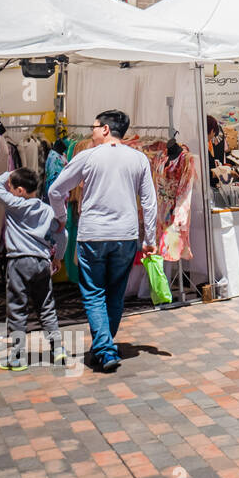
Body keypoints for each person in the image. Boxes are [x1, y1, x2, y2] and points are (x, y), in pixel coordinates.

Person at [49, 109, 158, 373]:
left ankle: (105, 348)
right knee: (115, 293)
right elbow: (149, 201)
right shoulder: (139, 158)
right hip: (126, 234)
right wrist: (150, 238)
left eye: (94, 127)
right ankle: (104, 346)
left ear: (106, 129)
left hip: (94, 235)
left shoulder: (87, 156)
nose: (92, 132)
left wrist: (61, 218)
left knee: (94, 293)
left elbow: (55, 190)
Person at [0, 168, 65, 371]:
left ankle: (18, 356)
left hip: (18, 261)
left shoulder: (15, 205)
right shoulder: (47, 210)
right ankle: (58, 349)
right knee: (46, 307)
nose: (8, 190)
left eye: (11, 187)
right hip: (41, 262)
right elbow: (61, 234)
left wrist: (10, 172)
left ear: (20, 190)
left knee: (17, 309)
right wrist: (58, 258)